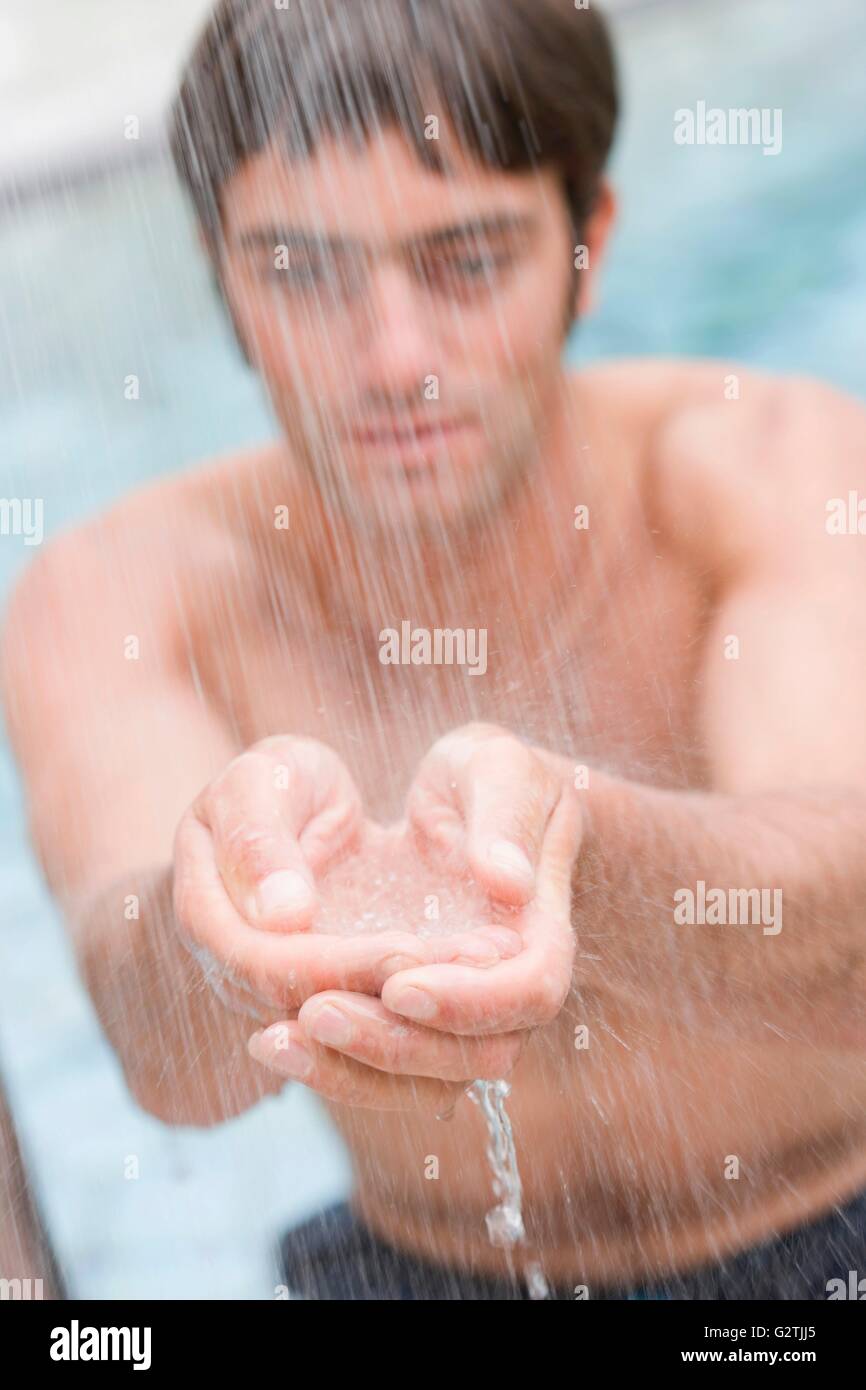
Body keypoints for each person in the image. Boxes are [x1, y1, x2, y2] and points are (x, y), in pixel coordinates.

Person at [3, 0, 866, 1300]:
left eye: (467, 260)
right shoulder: (116, 591)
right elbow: (166, 1065)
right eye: (302, 270)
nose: (393, 357)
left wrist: (590, 851)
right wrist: (222, 929)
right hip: (424, 1272)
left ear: (590, 246)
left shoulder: (770, 467)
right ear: (221, 276)